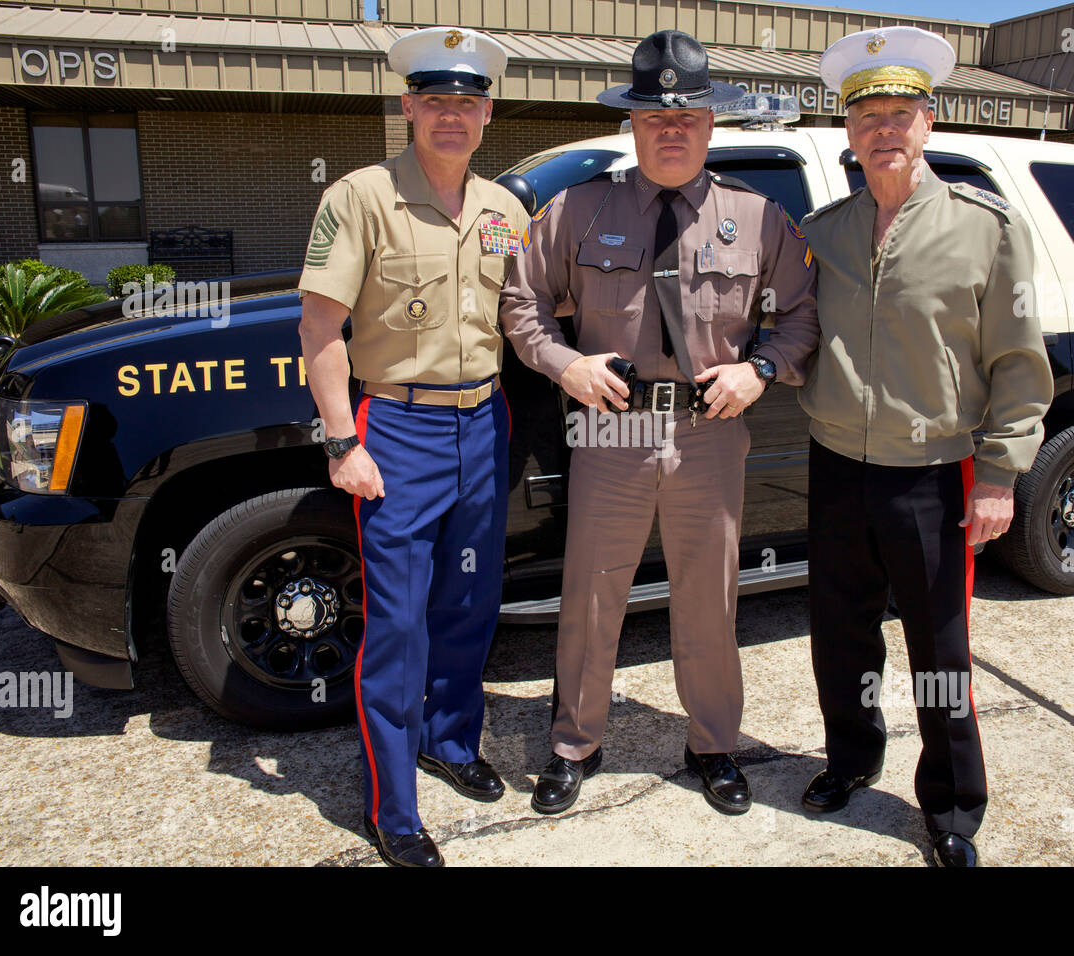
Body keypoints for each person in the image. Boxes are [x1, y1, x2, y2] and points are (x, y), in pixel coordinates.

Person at [501, 29, 819, 817]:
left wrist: (761, 370)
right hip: (611, 432)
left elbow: (803, 318)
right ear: (632, 125)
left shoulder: (757, 219)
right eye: (654, 118)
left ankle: (714, 745)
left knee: (709, 598)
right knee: (592, 595)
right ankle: (575, 743)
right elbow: (521, 301)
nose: (670, 130)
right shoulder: (578, 209)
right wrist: (562, 363)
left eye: (687, 117)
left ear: (710, 124)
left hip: (709, 435)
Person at [798, 26, 1054, 866]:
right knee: (840, 634)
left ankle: (950, 804)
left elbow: (1017, 362)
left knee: (938, 652)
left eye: (900, 112)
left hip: (935, 477)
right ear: (848, 131)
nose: (884, 129)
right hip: (836, 467)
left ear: (928, 121)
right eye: (867, 113)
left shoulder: (985, 228)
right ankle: (849, 761)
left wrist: (1002, 477)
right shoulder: (824, 232)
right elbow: (787, 327)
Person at [297, 26, 530, 868]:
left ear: (487, 113)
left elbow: (526, 319)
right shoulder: (360, 197)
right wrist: (339, 440)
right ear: (407, 106)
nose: (451, 115)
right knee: (397, 628)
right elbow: (320, 326)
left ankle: (452, 742)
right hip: (397, 429)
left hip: (484, 423)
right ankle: (393, 807)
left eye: (466, 102)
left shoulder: (506, 210)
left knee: (469, 606)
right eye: (435, 100)